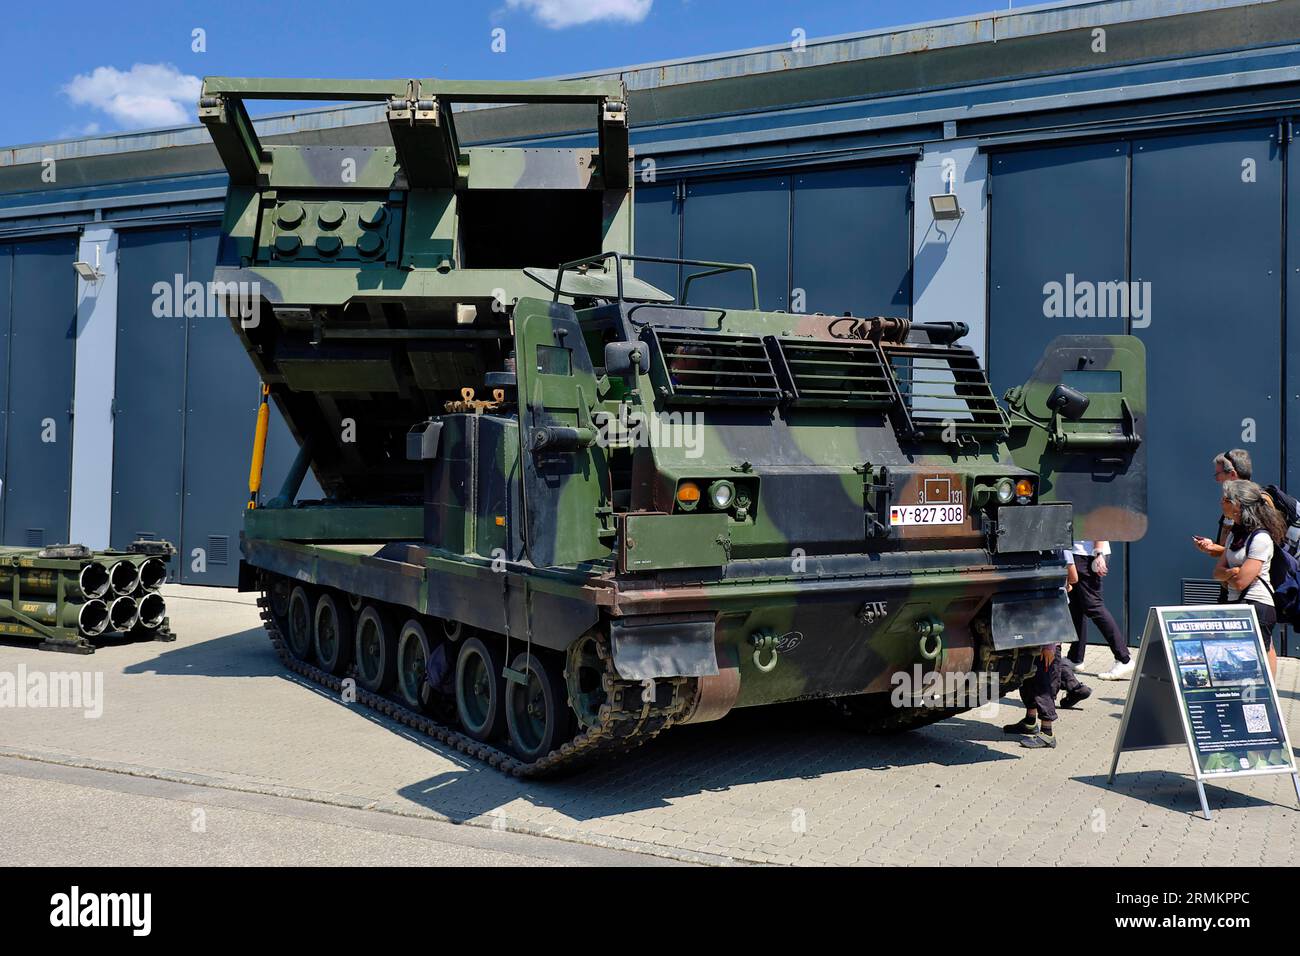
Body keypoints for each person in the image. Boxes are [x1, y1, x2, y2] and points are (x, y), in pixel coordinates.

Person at [1004, 551, 1092, 748]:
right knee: (1029, 676)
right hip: (1034, 625)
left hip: (1048, 632)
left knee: (1045, 679)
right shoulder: (1041, 553)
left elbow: (1066, 587)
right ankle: (1030, 721)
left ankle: (1047, 732)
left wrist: (1051, 643)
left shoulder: (1054, 554)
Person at [1214, 479, 1282, 677]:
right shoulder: (1234, 536)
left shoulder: (1260, 538)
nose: (1221, 503)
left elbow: (1242, 581)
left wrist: (1233, 574)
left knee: (1255, 666)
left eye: (1225, 499)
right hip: (1236, 604)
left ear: (1238, 505)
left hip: (1257, 606)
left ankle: (1267, 704)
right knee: (1236, 664)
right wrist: (1232, 572)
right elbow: (1217, 573)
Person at [1065, 539, 1132, 680]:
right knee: (1076, 607)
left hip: (1087, 556)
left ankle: (1124, 659)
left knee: (1093, 607)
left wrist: (1098, 553)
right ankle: (1075, 658)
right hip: (1079, 554)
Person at [1193, 449, 1254, 562]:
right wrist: (1211, 546)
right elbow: (1227, 548)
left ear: (1232, 474)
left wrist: (1218, 550)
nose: (1216, 479)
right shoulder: (1230, 507)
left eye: (1218, 474)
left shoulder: (1254, 505)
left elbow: (1253, 553)